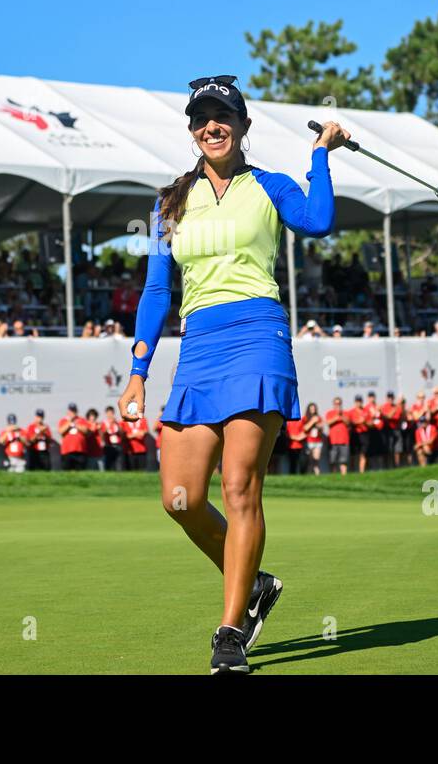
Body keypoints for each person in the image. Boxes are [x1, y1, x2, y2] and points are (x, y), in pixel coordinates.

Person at [117, 74, 344, 675]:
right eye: (200, 118)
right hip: (198, 347)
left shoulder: (270, 186)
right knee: (180, 497)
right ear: (191, 130)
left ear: (243, 126)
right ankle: (255, 583)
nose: (210, 126)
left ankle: (229, 632)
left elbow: (318, 220)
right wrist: (138, 370)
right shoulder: (169, 201)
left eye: (222, 116)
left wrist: (320, 155)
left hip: (257, 338)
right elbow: (157, 290)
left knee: (239, 487)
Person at [325, 396, 352, 475]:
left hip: (344, 440)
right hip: (333, 441)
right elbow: (328, 422)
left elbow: (348, 423)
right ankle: (334, 476)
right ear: (333, 404)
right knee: (333, 460)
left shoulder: (346, 413)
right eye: (336, 404)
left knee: (344, 460)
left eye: (339, 403)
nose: (338, 405)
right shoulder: (329, 413)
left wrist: (341, 416)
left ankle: (344, 475)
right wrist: (336, 417)